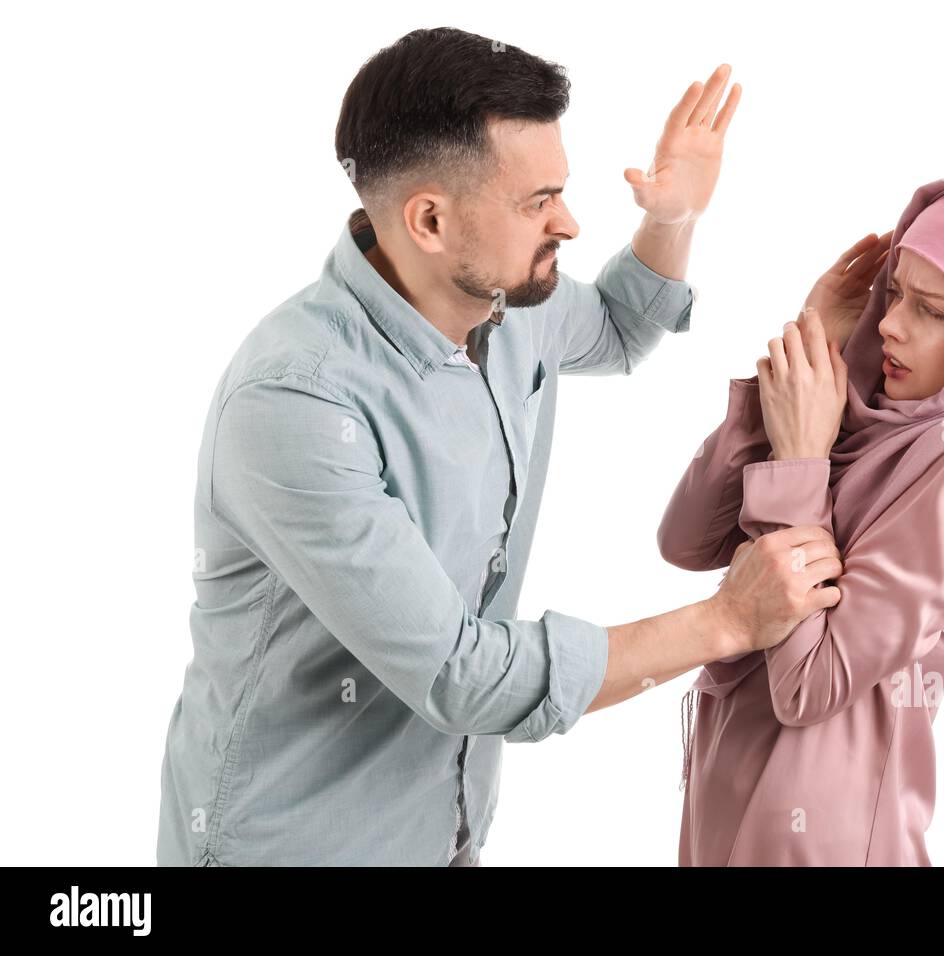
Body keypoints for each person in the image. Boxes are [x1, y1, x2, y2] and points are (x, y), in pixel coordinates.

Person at [156, 27, 844, 867]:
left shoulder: (506, 304)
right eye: (538, 201)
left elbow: (623, 330)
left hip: (443, 832)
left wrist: (674, 217)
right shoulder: (296, 401)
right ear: (432, 219)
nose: (571, 220)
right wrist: (728, 619)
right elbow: (464, 676)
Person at [659, 173, 944, 865]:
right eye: (894, 292)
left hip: (824, 838)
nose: (891, 323)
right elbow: (685, 541)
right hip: (727, 803)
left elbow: (810, 683)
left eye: (931, 310)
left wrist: (804, 457)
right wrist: (804, 363)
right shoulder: (874, 418)